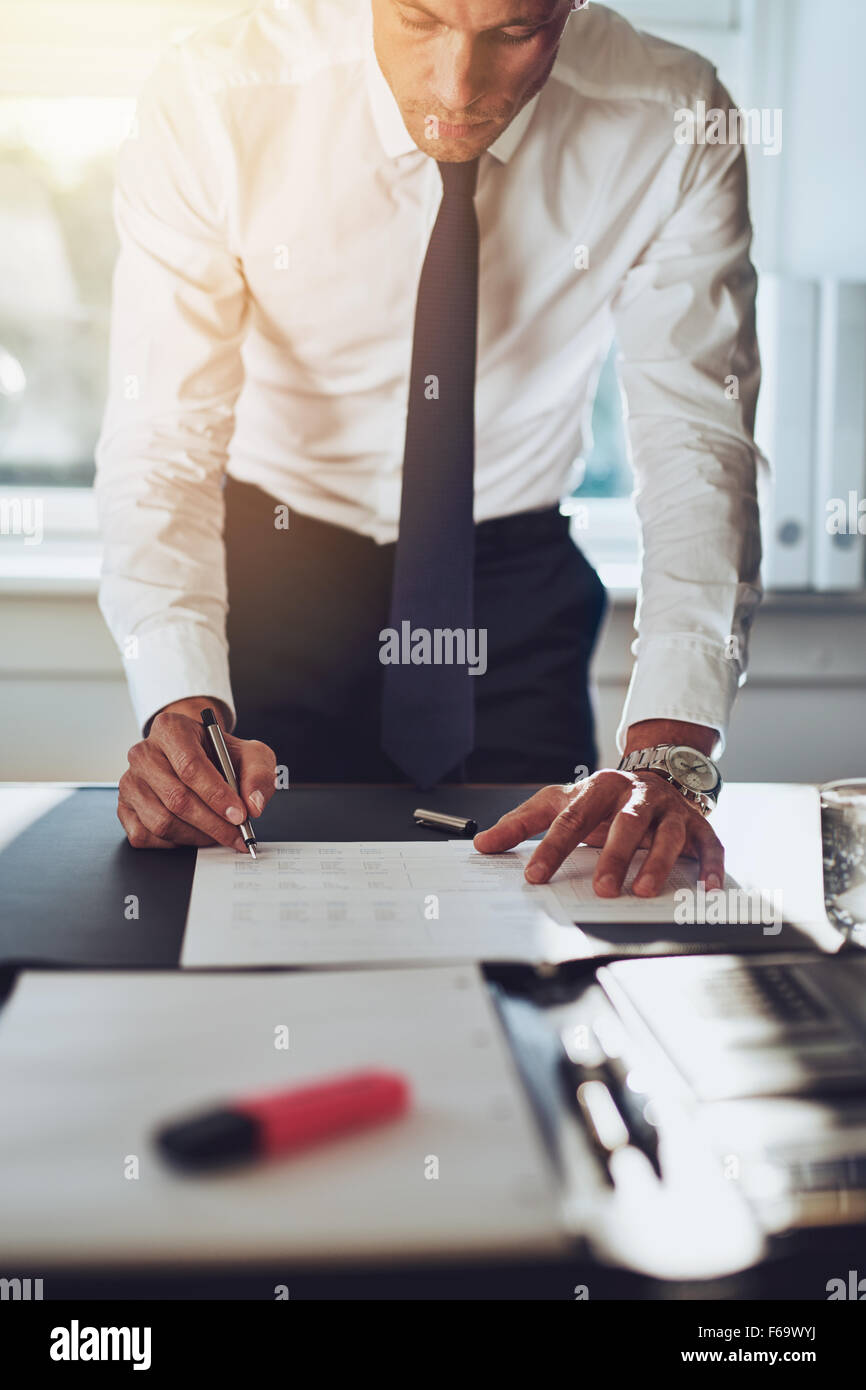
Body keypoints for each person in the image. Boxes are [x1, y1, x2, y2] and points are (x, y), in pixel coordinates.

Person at [95, 0, 763, 897]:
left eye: (515, 33)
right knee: (241, 907)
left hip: (510, 583)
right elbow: (163, 436)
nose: (458, 87)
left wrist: (671, 755)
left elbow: (696, 437)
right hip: (277, 566)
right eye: (418, 19)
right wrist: (179, 704)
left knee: (556, 918)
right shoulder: (218, 97)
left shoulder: (675, 117)